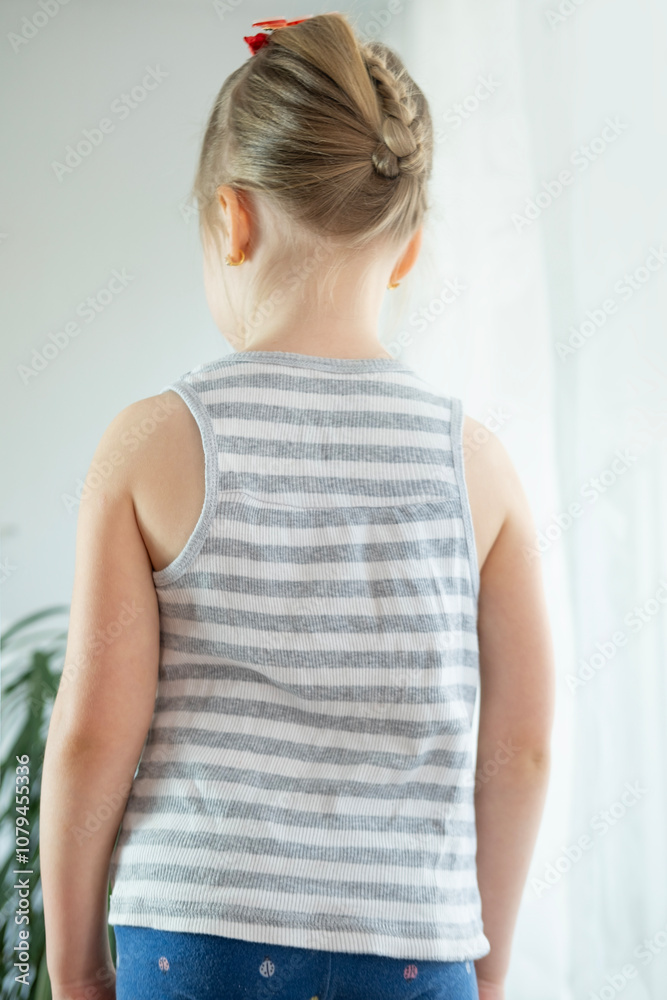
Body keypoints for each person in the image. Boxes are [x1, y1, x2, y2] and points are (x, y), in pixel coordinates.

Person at [40, 11, 555, 1000]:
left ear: (230, 219)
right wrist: (482, 971)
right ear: (403, 252)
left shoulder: (151, 444)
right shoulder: (479, 467)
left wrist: (72, 969)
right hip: (410, 945)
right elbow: (522, 747)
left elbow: (95, 733)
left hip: (195, 938)